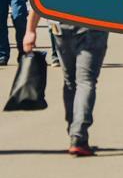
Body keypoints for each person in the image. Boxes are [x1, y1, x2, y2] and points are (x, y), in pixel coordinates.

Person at [24, 11, 107, 156]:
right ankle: (78, 135)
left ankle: (74, 129)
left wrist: (30, 30)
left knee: (71, 81)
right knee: (85, 80)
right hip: (93, 24)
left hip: (62, 26)